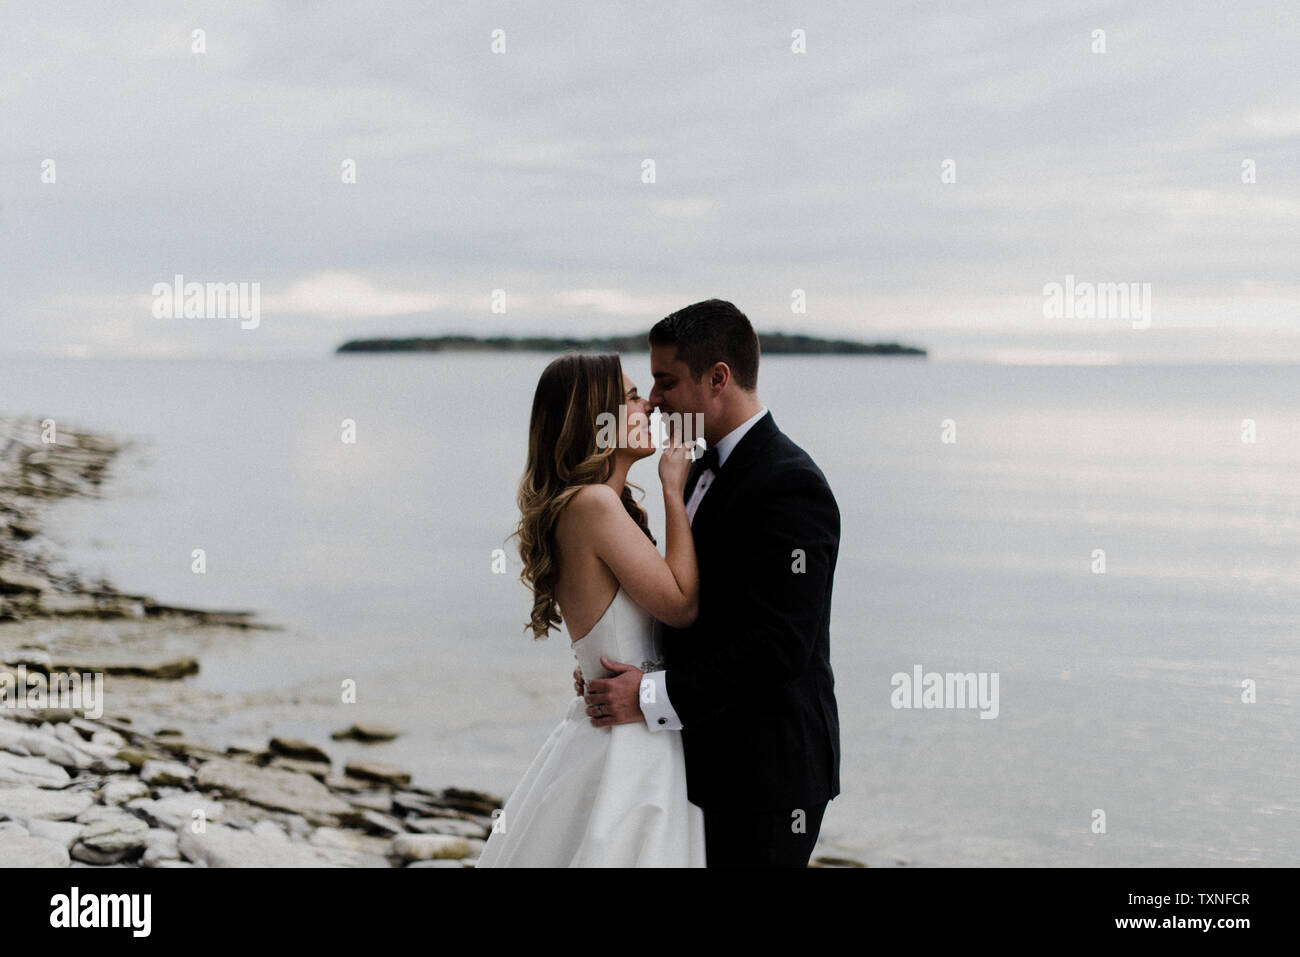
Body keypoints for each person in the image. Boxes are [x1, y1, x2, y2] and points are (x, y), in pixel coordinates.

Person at [579, 299, 842, 867]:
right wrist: (620, 663)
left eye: (665, 381)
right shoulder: (695, 470)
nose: (652, 400)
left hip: (766, 778)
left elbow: (779, 646)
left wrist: (648, 696)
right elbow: (688, 608)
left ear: (717, 378)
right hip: (695, 759)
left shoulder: (791, 485)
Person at [476, 352, 705, 866]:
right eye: (628, 398)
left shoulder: (602, 505)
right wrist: (675, 488)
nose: (647, 404)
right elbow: (682, 606)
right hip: (631, 742)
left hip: (625, 720)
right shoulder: (594, 505)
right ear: (593, 420)